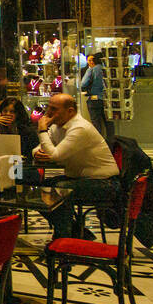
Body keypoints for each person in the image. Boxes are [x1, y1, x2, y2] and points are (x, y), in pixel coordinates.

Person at [34, 93, 120, 239]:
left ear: (70, 111)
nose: (48, 113)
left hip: (104, 183)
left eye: (54, 109)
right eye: (49, 107)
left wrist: (42, 130)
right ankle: (75, 232)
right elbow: (41, 147)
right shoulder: (57, 126)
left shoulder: (80, 128)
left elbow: (55, 155)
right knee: (40, 191)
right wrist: (37, 153)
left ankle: (64, 237)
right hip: (79, 178)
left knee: (61, 190)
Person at [80, 52, 111, 140]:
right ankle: (111, 143)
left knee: (96, 124)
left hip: (94, 99)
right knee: (109, 124)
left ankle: (99, 142)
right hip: (107, 99)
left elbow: (83, 83)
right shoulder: (108, 69)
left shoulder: (92, 69)